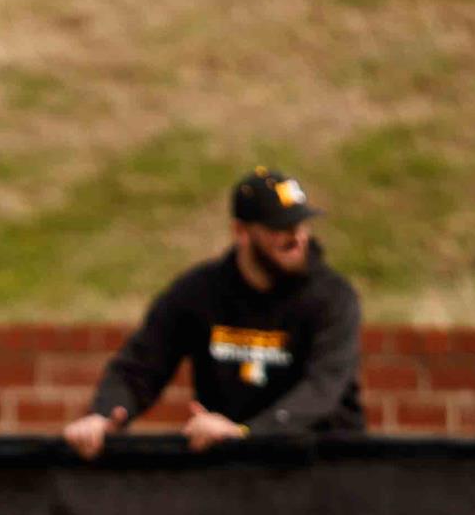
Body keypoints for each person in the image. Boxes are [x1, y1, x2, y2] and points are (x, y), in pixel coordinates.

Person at [62, 168, 364, 460]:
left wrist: (247, 433)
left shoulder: (333, 298)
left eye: (300, 226)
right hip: (229, 473)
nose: (297, 238)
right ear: (240, 232)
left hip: (322, 469)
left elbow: (322, 389)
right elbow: (140, 366)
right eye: (279, 229)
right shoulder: (200, 291)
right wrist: (105, 415)